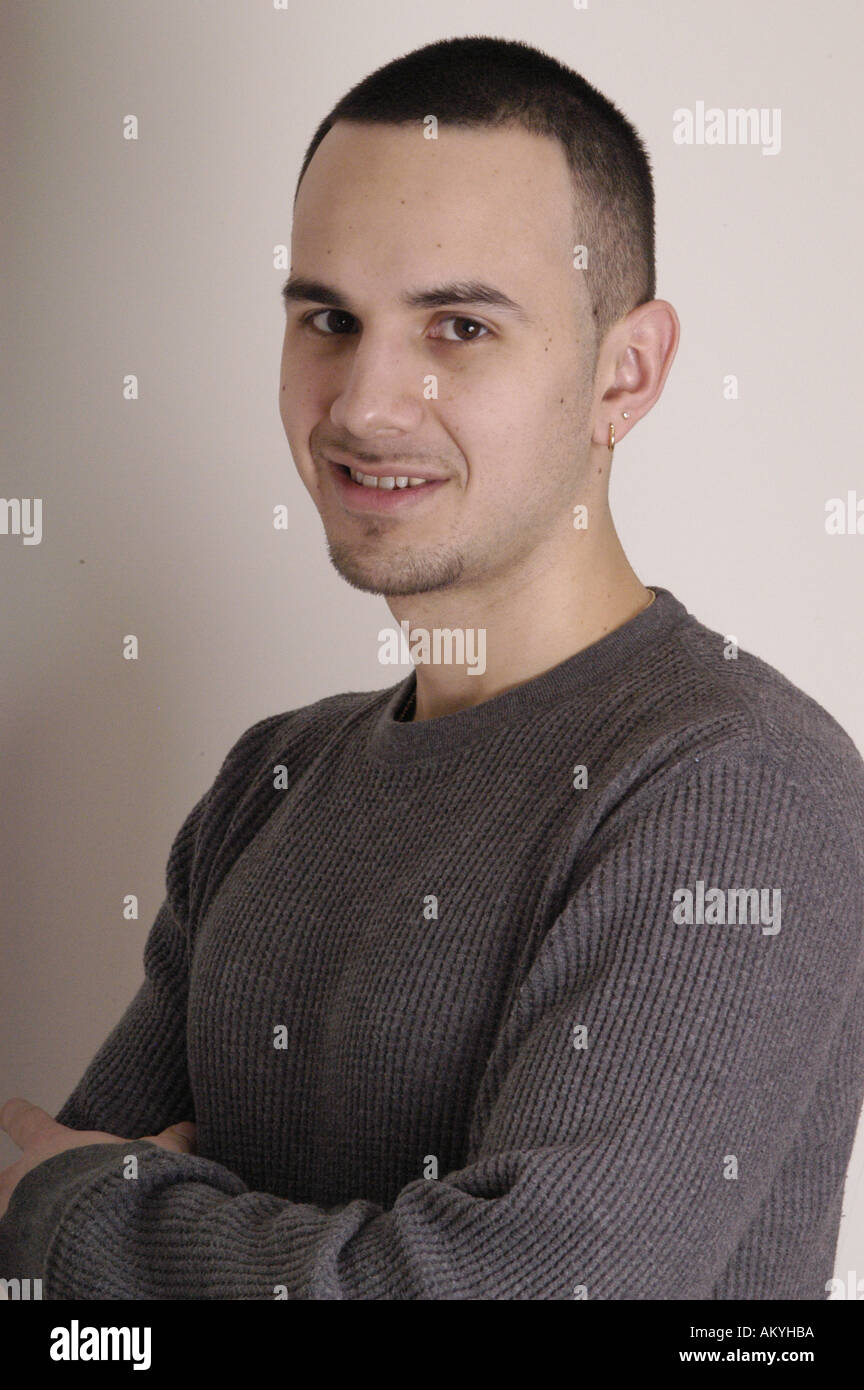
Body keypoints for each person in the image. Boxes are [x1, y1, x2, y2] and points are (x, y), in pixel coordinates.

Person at [2, 35, 863, 1301]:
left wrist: (88, 1215)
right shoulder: (273, 779)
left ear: (624, 373)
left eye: (459, 326)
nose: (365, 403)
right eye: (328, 319)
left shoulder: (736, 787)